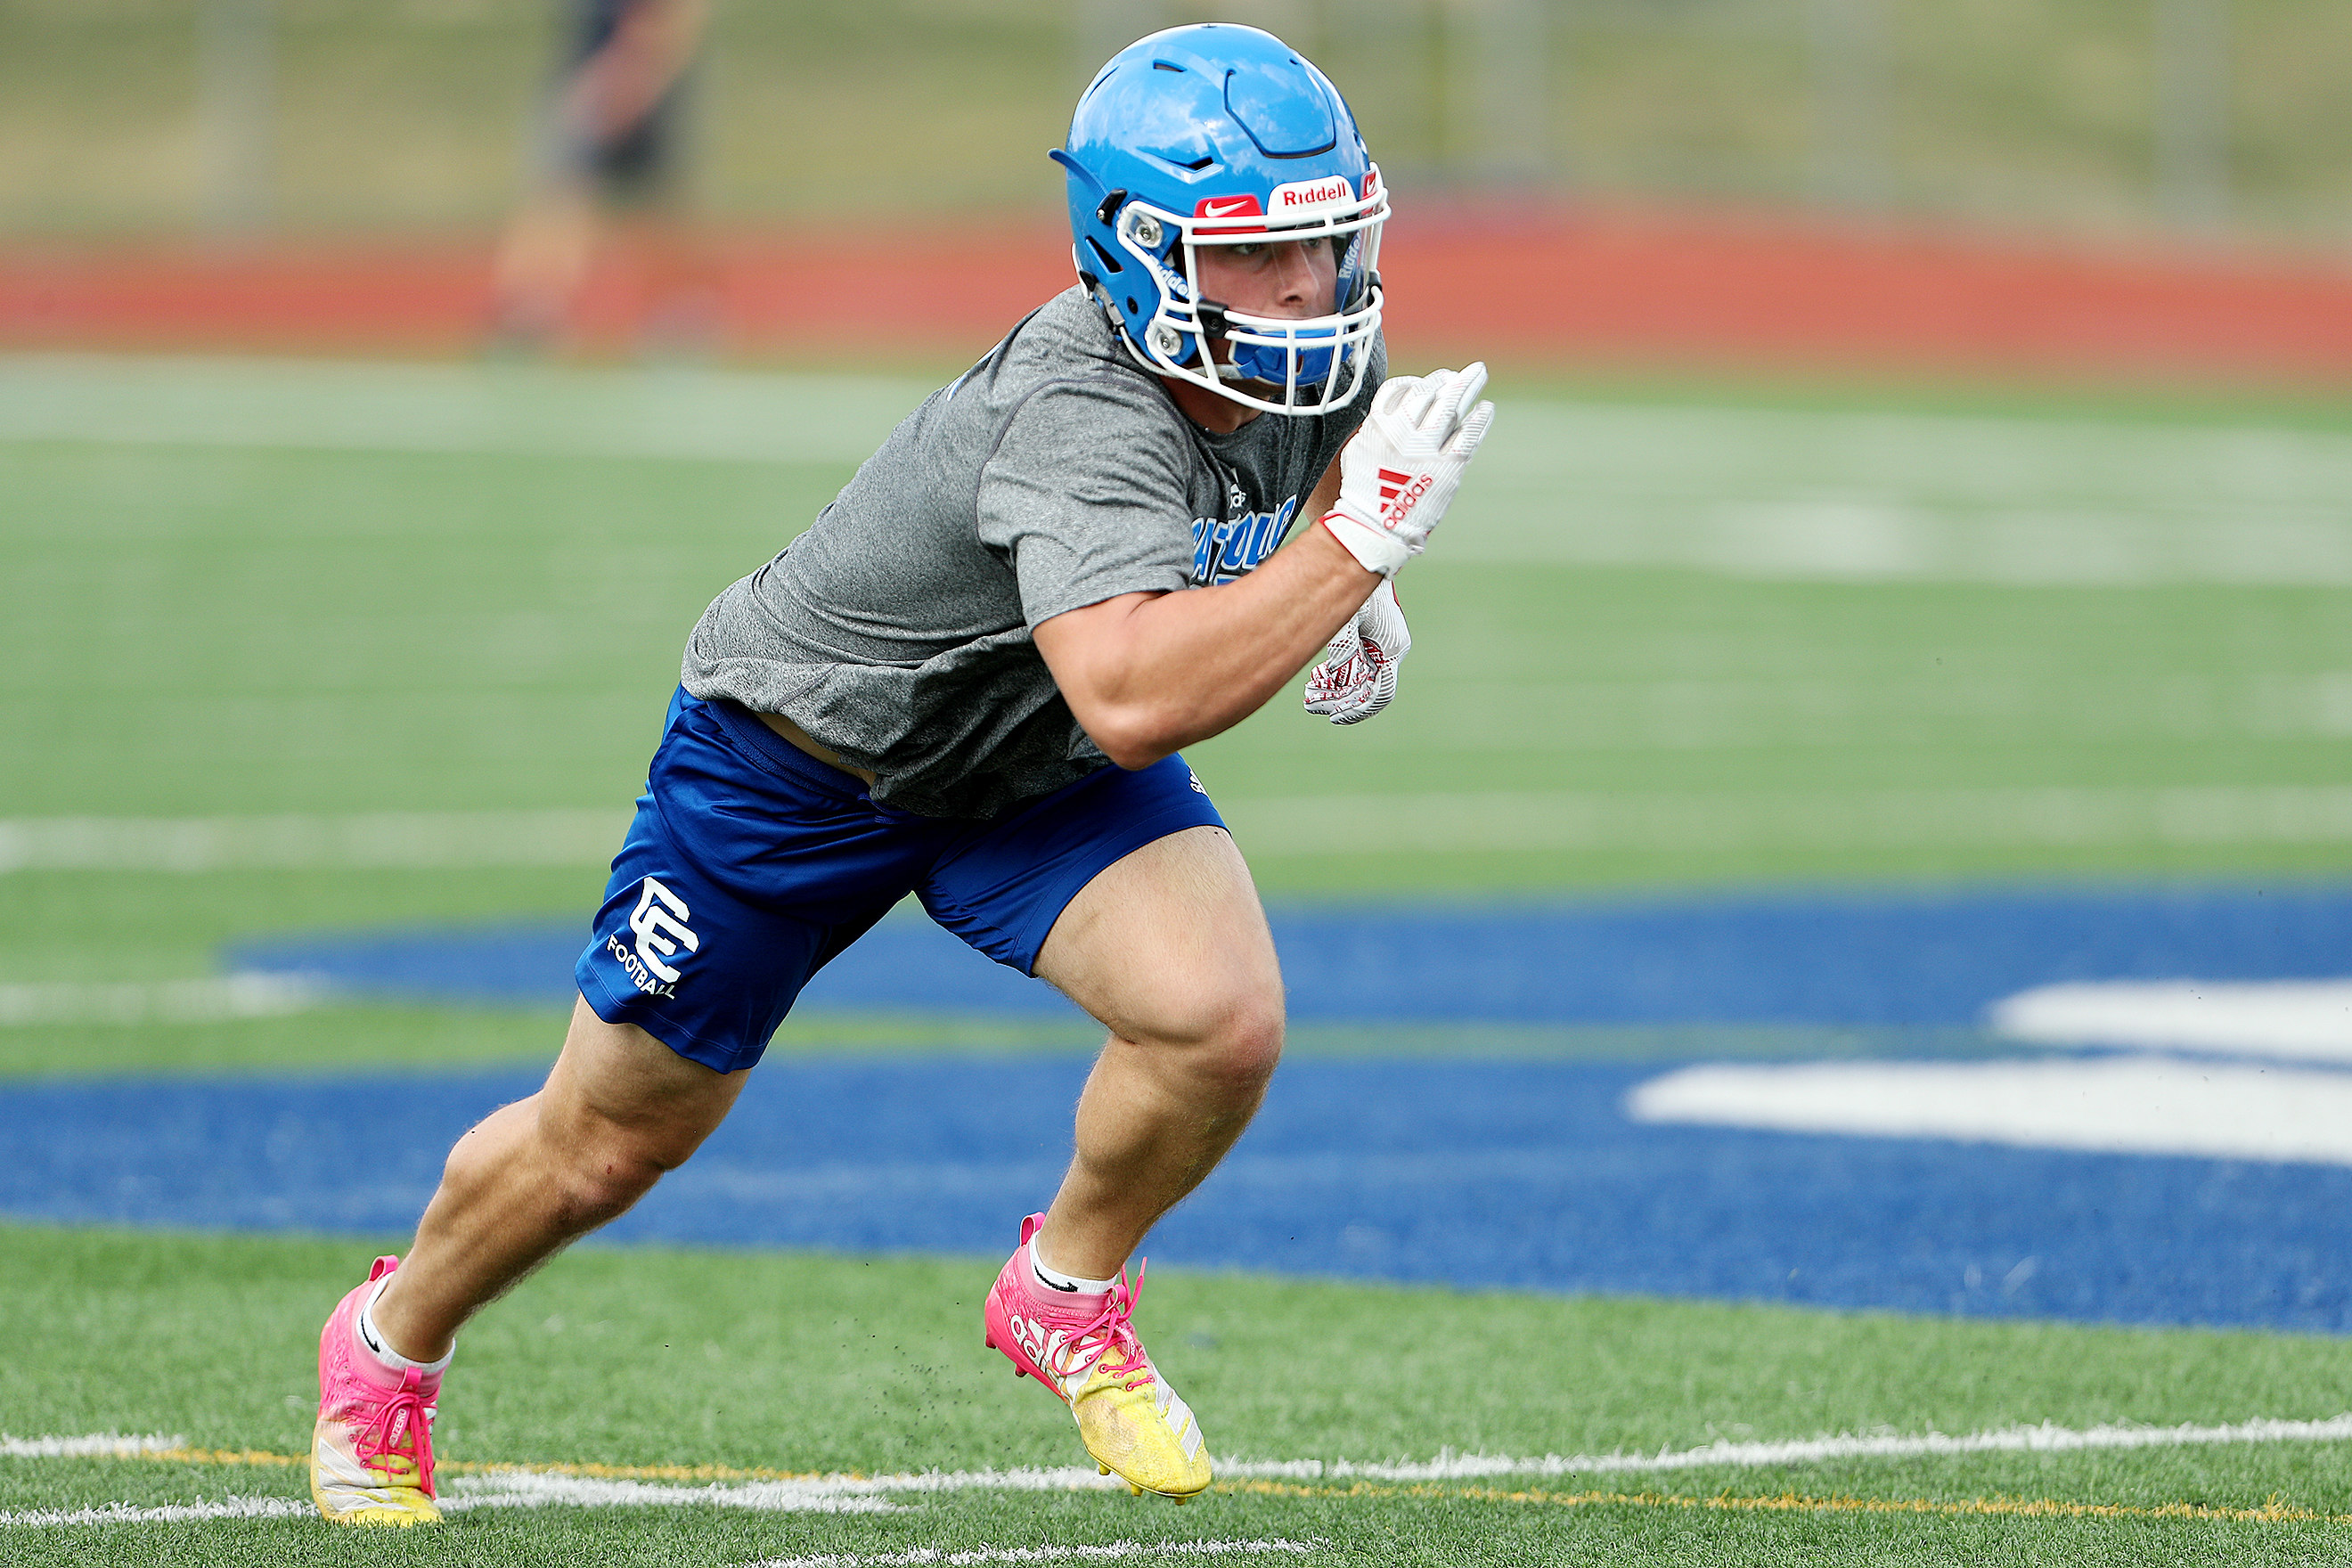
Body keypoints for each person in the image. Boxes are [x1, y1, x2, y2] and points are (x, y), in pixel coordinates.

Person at [310, 22, 1492, 1526]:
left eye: (1326, 244)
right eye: (1253, 260)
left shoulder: (1312, 349)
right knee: (607, 1145)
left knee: (1220, 1023)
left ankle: (1066, 1287)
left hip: (1022, 756)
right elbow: (1134, 696)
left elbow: (1302, 492)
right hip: (799, 763)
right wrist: (1352, 553)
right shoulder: (1080, 407)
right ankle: (387, 1343)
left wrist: (1336, 577)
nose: (1305, 292)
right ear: (1135, 257)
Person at [488, 0, 713, 354]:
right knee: (562, 187)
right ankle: (532, 312)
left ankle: (679, 315)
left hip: (632, 66)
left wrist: (634, 73)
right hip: (591, 62)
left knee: (647, 204)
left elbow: (676, 14)